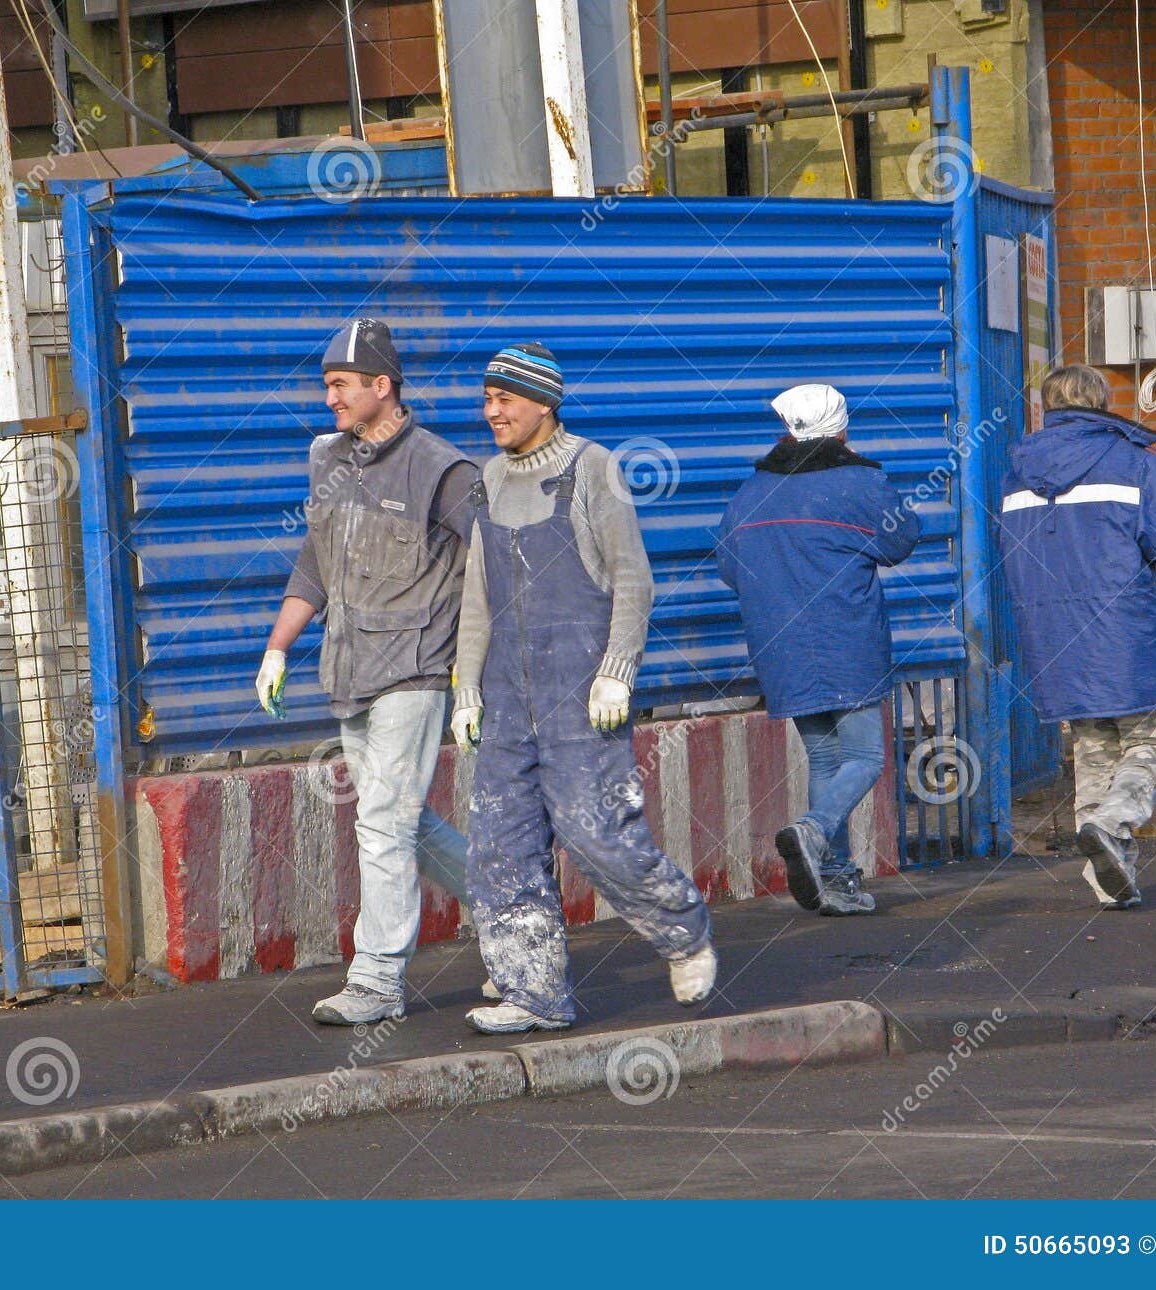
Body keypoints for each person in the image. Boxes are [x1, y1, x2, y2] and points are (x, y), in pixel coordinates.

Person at [451, 342, 716, 1035]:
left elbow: (633, 578)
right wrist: (467, 688)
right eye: (487, 399)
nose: (492, 412)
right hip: (507, 699)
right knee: (500, 848)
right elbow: (477, 594)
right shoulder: (488, 477)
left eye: (505, 399)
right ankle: (533, 993)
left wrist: (617, 672)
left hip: (582, 695)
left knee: (597, 834)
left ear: (544, 402)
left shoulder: (593, 468)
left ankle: (683, 932)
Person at [256, 319, 482, 1024]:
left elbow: (498, 568)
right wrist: (278, 646)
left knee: (381, 823)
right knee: (404, 821)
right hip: (349, 666)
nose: (330, 398)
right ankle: (513, 909)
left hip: (416, 670)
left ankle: (378, 981)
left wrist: (475, 674)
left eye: (341, 385)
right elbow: (316, 560)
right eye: (326, 385)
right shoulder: (328, 459)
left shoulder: (443, 470)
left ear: (382, 386)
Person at [999, 363, 1156, 910]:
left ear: (1047, 407)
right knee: (1154, 743)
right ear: (1100, 402)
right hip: (1125, 633)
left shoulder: (1016, 475)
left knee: (1094, 752)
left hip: (1054, 638)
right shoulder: (1134, 463)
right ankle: (1112, 825)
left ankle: (1109, 881)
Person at [716, 384, 918, 916]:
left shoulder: (751, 492)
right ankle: (812, 829)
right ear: (842, 428)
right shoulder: (860, 483)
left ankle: (834, 879)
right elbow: (901, 541)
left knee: (826, 758)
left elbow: (731, 568)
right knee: (866, 756)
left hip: (778, 644)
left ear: (786, 429)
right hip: (846, 638)